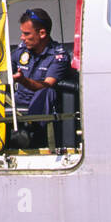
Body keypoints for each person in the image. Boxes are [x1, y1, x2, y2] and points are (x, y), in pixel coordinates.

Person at [9, 8, 73, 148]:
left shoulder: (58, 56)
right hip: (18, 98)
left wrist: (23, 81)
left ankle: (29, 130)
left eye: (26, 34)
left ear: (42, 33)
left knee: (47, 91)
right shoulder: (22, 50)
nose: (22, 38)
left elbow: (47, 84)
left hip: (40, 102)